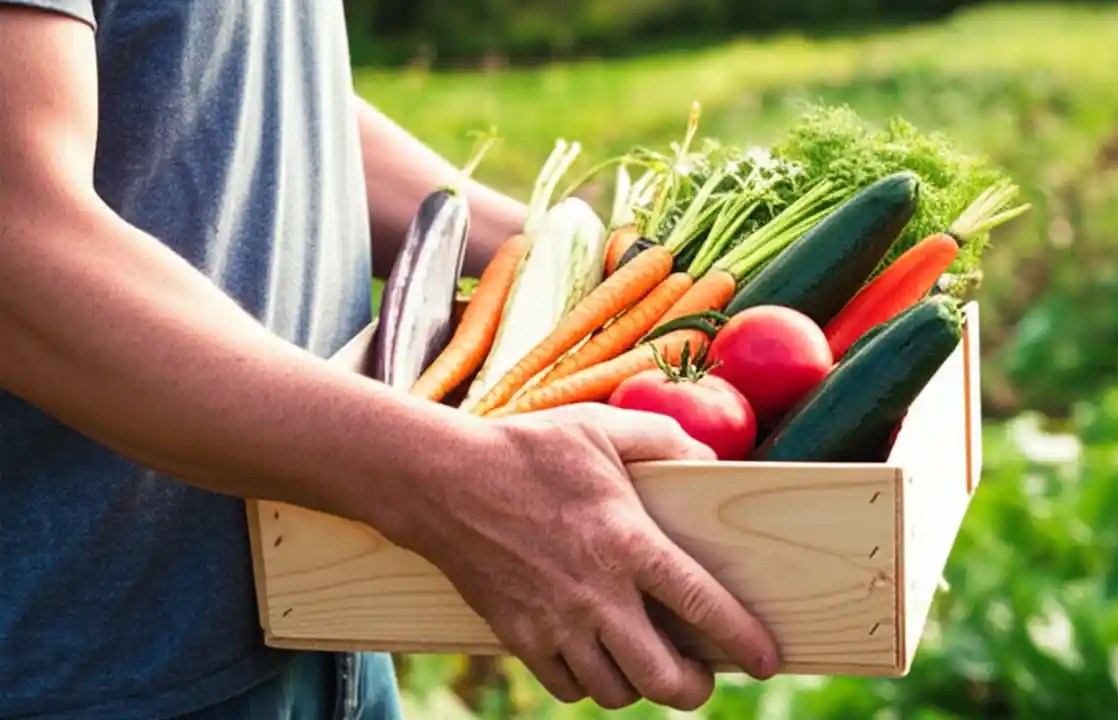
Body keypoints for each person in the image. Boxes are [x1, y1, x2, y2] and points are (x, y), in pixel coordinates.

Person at [0, 3, 780, 719]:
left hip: (320, 634)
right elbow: (15, 250)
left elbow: (232, 91)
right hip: (93, 667)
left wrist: (580, 262)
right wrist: (448, 479)